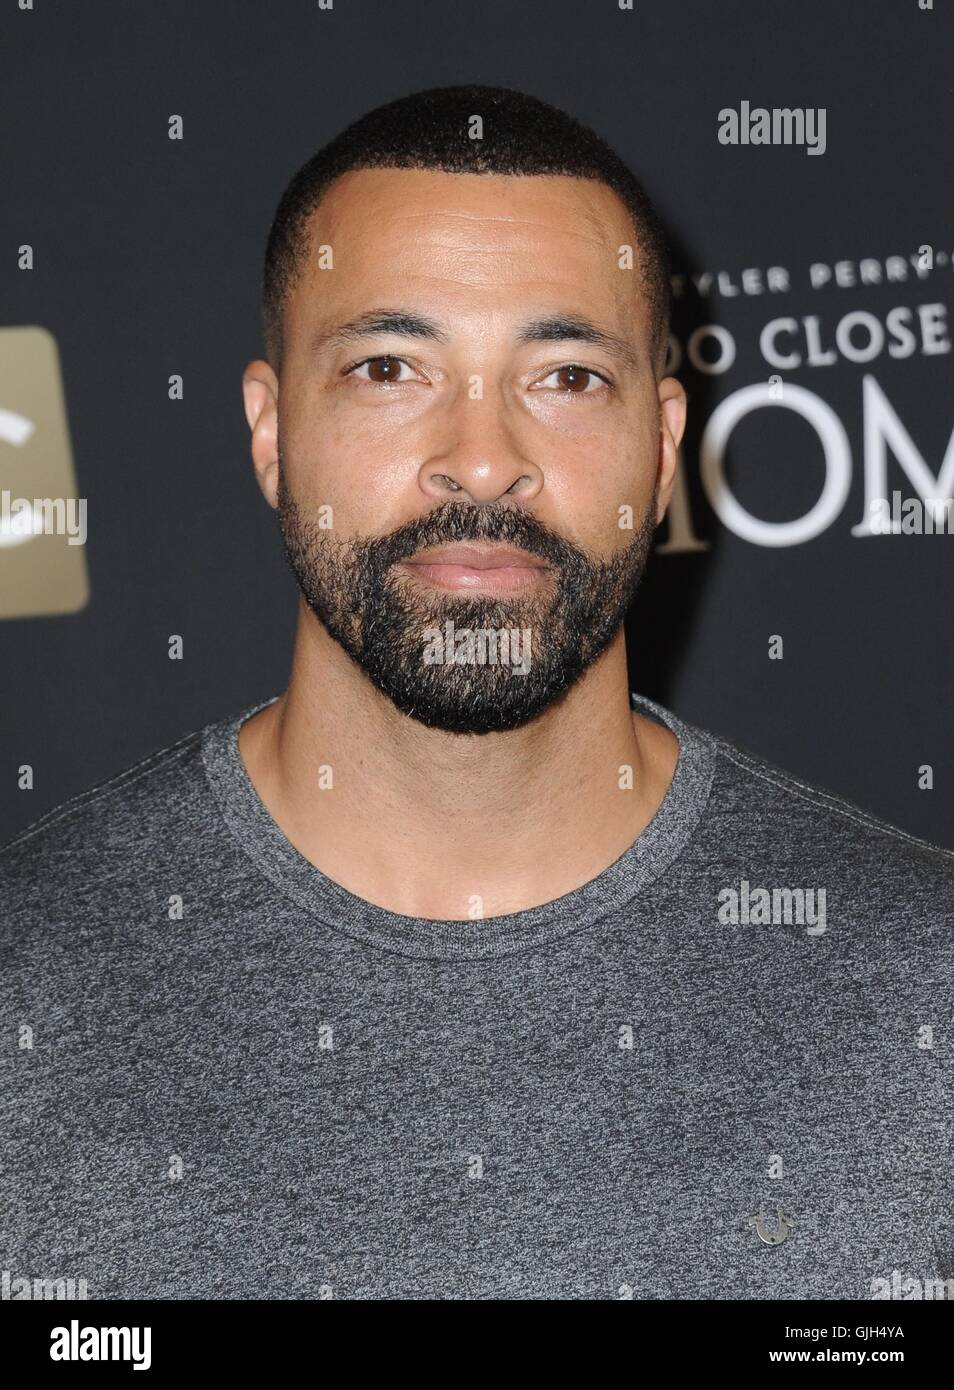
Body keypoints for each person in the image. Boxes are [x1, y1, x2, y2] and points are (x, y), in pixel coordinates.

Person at [2, 85, 952, 1302]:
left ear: (664, 450)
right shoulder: (26, 989)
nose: (485, 456)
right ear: (269, 430)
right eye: (391, 366)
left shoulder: (926, 992)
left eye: (564, 376)